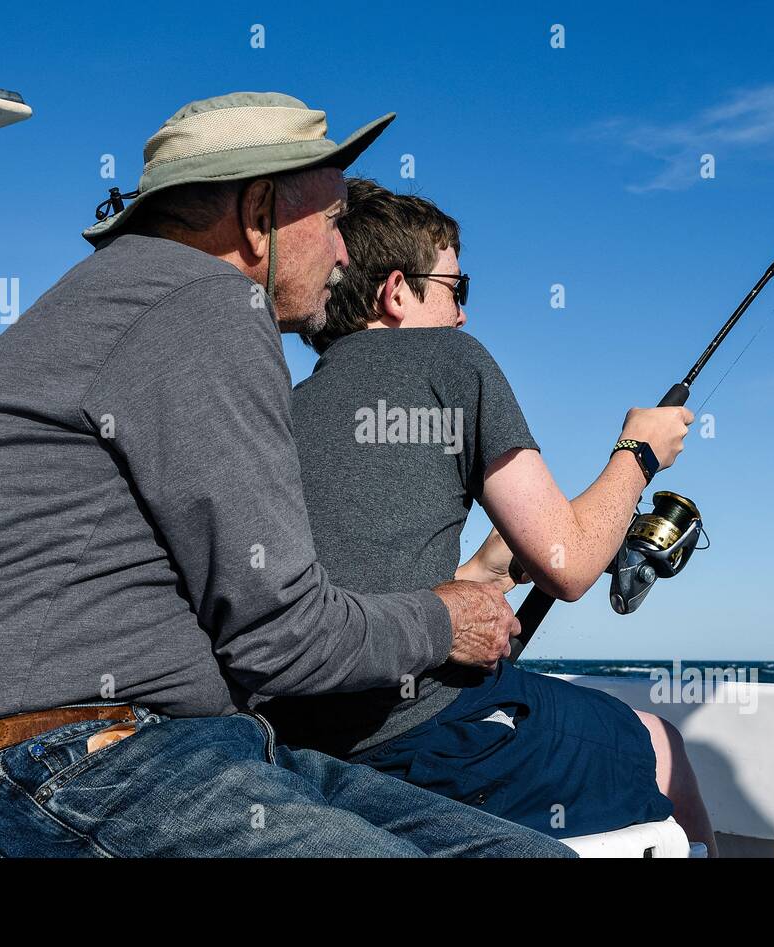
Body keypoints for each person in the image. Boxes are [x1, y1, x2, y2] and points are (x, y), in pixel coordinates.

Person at [0, 94, 573, 858]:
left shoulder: (126, 298)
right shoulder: (206, 299)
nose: (345, 254)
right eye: (334, 221)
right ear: (257, 216)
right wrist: (445, 620)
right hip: (62, 764)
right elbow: (283, 638)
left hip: (134, 754)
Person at [264, 178, 716, 853]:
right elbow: (569, 568)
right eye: (455, 289)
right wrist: (639, 453)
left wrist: (487, 569)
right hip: (423, 742)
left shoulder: (286, 407)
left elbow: (355, 592)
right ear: (396, 293)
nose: (463, 315)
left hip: (296, 748)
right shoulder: (451, 359)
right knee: (662, 744)